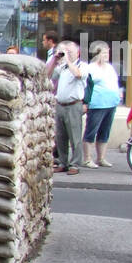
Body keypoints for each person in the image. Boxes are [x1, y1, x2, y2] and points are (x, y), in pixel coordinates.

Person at [47, 38, 85, 175]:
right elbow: (47, 75)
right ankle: (63, 162)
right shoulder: (62, 68)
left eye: (70, 51)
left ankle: (75, 164)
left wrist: (68, 60)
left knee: (75, 136)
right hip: (60, 105)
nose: (66, 53)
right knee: (60, 136)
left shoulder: (82, 66)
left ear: (78, 52)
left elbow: (78, 75)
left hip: (74, 105)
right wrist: (55, 59)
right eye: (65, 51)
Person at [82, 42, 121, 167]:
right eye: (104, 53)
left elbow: (114, 82)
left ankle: (101, 158)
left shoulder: (109, 67)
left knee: (105, 131)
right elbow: (87, 86)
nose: (106, 55)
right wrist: (85, 102)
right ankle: (87, 158)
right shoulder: (91, 68)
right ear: (97, 55)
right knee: (91, 131)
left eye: (107, 53)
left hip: (111, 103)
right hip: (97, 103)